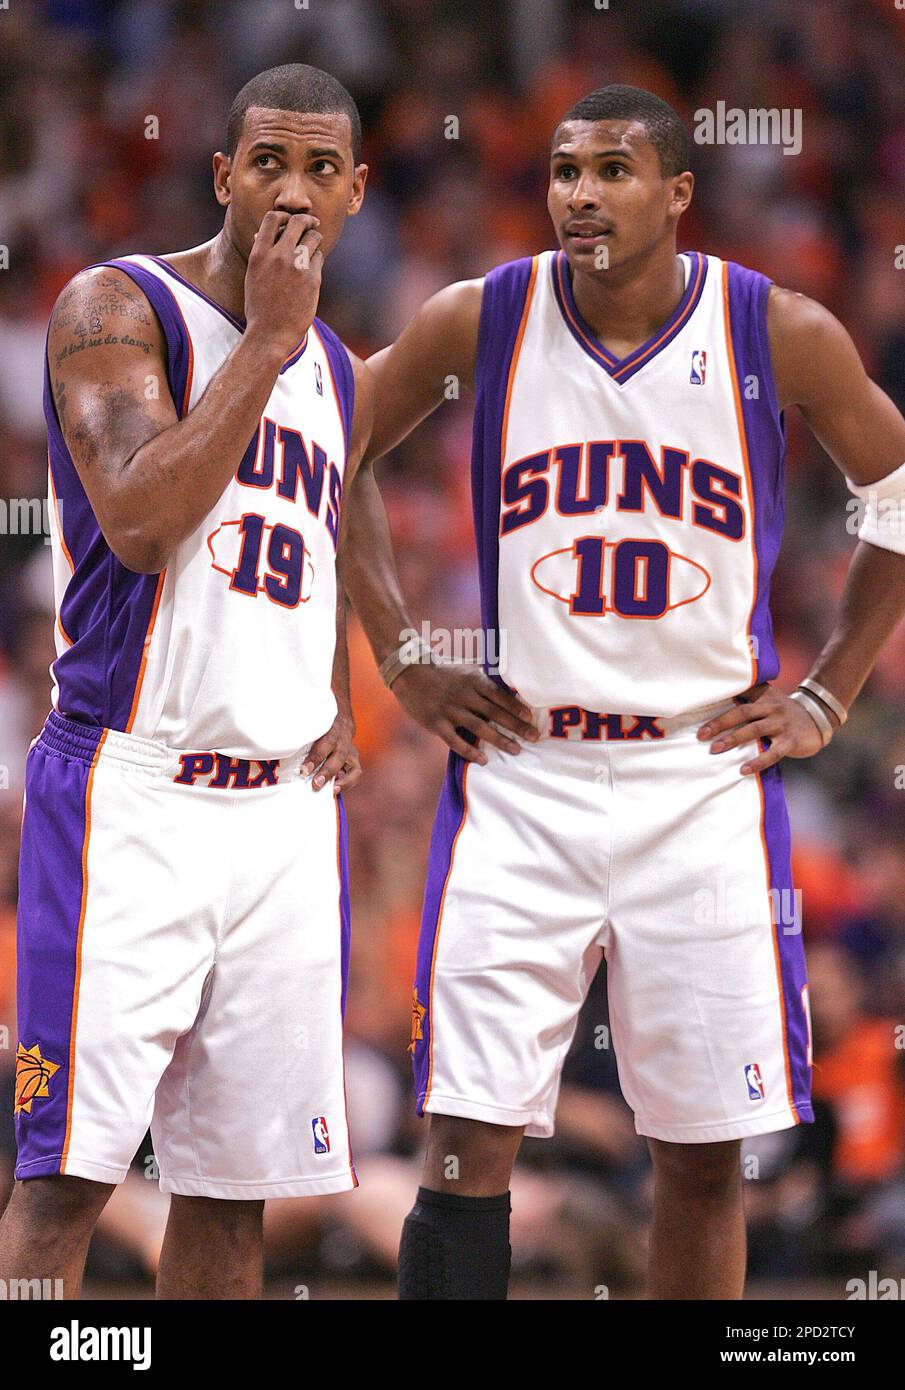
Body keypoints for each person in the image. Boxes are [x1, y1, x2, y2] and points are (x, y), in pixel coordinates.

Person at [340, 84, 905, 1299]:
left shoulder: (776, 331)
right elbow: (326, 445)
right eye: (561, 171)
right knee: (462, 1135)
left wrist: (824, 694)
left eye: (610, 170)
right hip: (522, 771)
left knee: (701, 1159)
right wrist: (397, 650)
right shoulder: (478, 318)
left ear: (677, 194)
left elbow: (898, 489)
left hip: (694, 777)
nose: (579, 194)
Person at [0, 63, 374, 1300]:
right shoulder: (116, 306)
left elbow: (309, 546)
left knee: (230, 1191)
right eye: (269, 160)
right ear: (223, 174)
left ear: (358, 190)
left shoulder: (341, 368)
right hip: (134, 792)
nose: (294, 189)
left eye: (323, 167)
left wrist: (333, 699)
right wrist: (265, 338)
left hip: (279, 819)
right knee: (64, 1180)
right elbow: (144, 522)